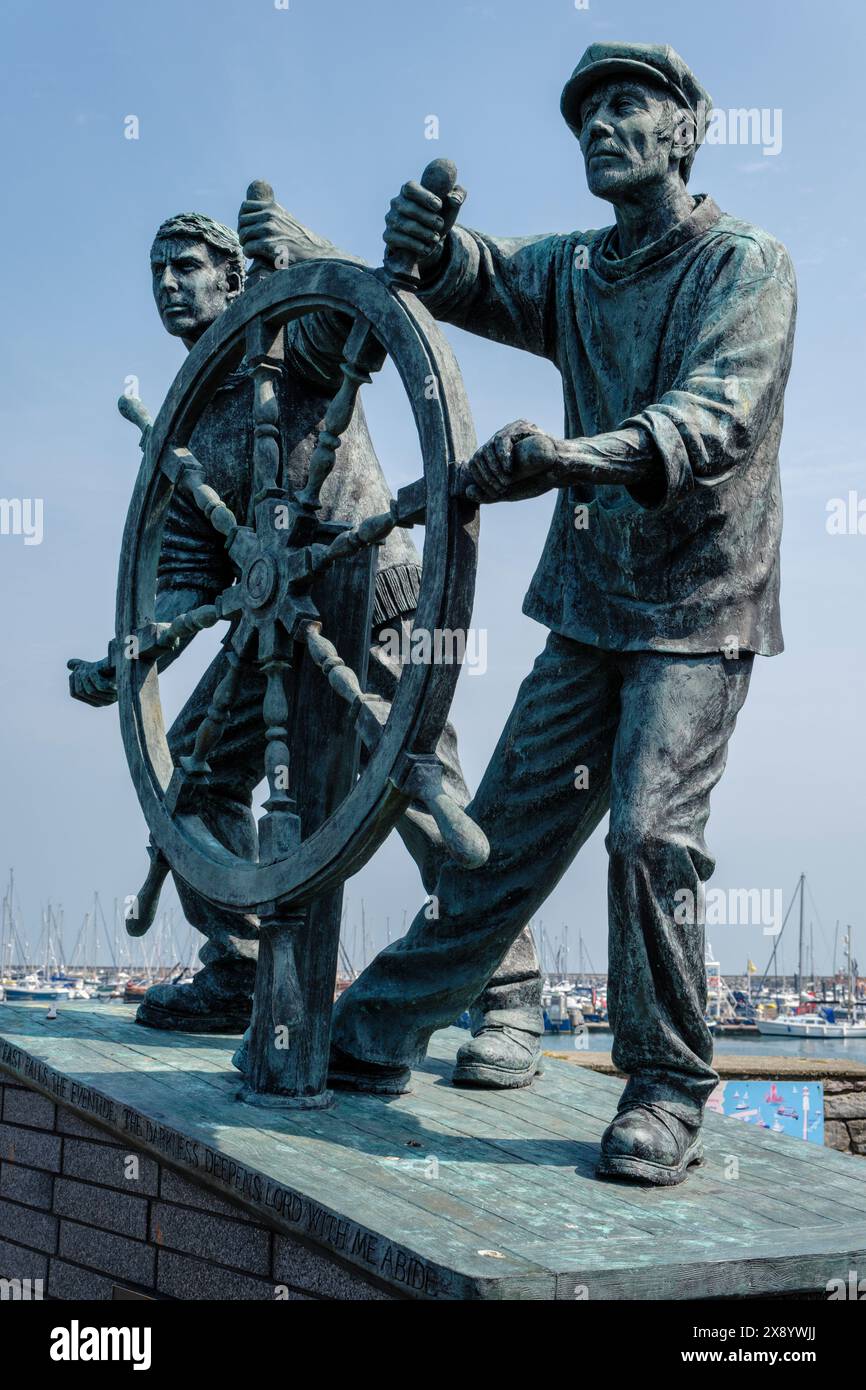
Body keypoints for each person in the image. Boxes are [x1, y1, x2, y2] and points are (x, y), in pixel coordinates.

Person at [299, 42, 797, 1184]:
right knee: (507, 827)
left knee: (647, 832)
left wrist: (571, 456)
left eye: (628, 105)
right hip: (590, 602)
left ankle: (665, 1081)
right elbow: (481, 273)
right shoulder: (576, 269)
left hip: (697, 607)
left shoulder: (744, 265)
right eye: (584, 114)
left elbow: (712, 420)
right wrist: (430, 249)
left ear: (686, 129)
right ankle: (378, 1025)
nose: (600, 127)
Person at [69, 208, 545, 1087]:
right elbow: (180, 581)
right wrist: (128, 656)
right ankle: (244, 966)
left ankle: (512, 997)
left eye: (186, 266)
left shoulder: (295, 346)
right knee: (195, 776)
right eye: (157, 273)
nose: (170, 284)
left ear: (234, 277)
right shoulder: (188, 429)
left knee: (417, 786)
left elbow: (361, 307)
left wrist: (304, 248)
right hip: (273, 628)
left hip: (372, 598)